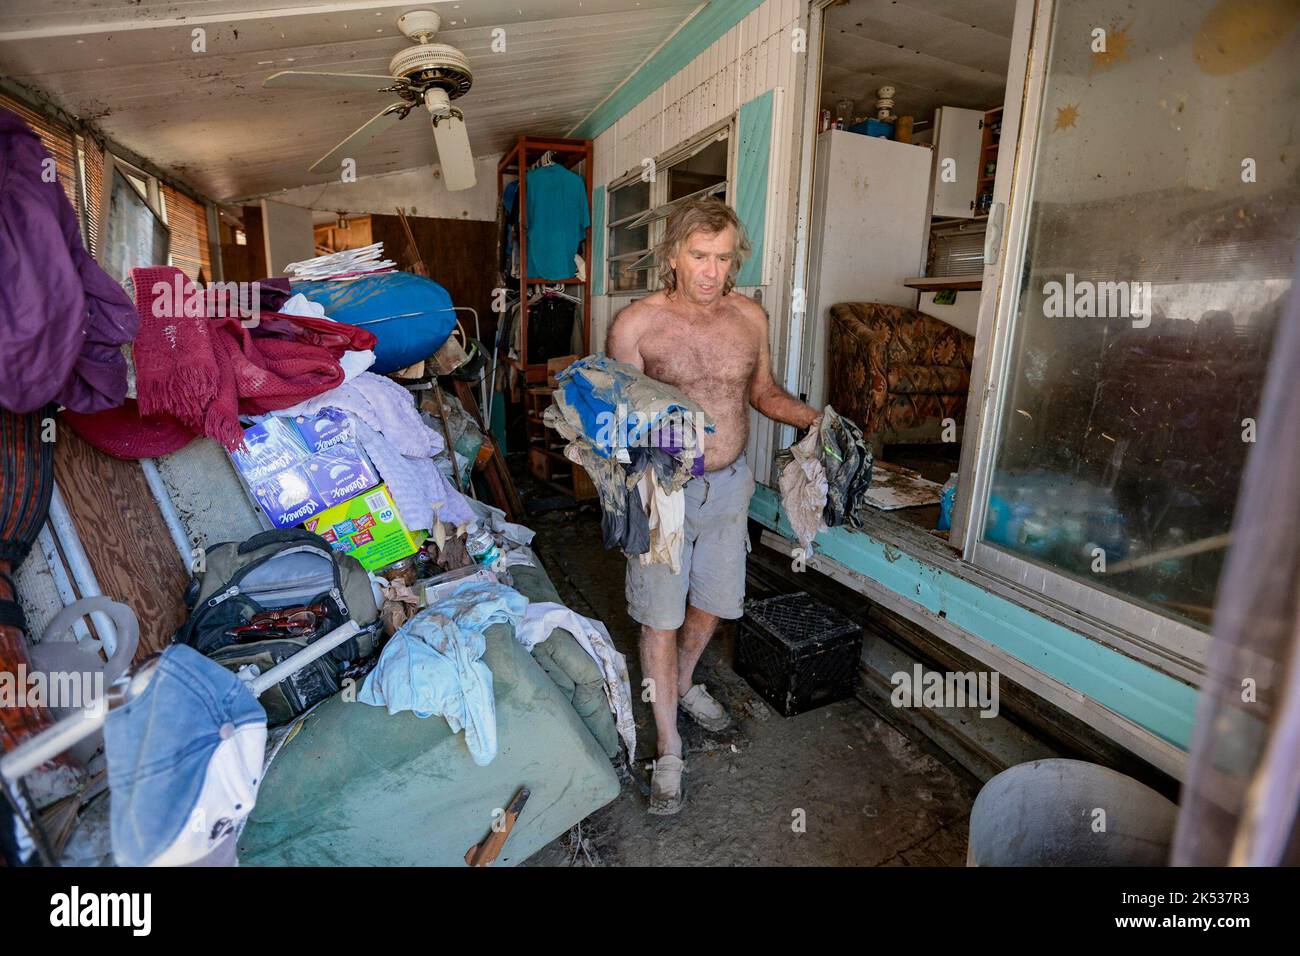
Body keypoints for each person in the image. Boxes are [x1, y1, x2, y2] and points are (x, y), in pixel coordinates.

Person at [605, 197, 819, 815]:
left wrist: (820, 422)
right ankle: (668, 747)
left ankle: (683, 682)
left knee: (715, 603)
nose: (710, 271)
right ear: (673, 255)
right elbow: (620, 417)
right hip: (660, 492)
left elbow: (765, 393)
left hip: (729, 488)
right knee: (660, 617)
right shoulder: (636, 326)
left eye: (723, 258)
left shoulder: (749, 318)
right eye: (699, 256)